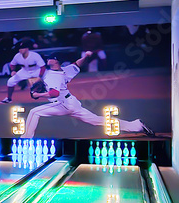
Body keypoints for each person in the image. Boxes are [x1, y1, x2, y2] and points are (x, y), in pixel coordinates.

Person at [23, 52, 154, 138]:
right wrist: (86, 56)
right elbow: (77, 64)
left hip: (63, 104)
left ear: (56, 61)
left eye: (50, 58)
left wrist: (38, 95)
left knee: (35, 112)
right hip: (72, 103)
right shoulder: (65, 70)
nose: (48, 59)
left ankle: (26, 138)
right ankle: (136, 125)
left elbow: (54, 93)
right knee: (97, 120)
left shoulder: (54, 75)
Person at [0, 39, 46, 104]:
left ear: (27, 49)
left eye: (22, 48)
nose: (20, 50)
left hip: (36, 70)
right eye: (19, 49)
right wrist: (13, 71)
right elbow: (12, 64)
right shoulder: (17, 56)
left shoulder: (35, 55)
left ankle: (51, 96)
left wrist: (40, 76)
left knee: (48, 79)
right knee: (10, 81)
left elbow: (43, 67)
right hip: (24, 71)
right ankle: (9, 98)